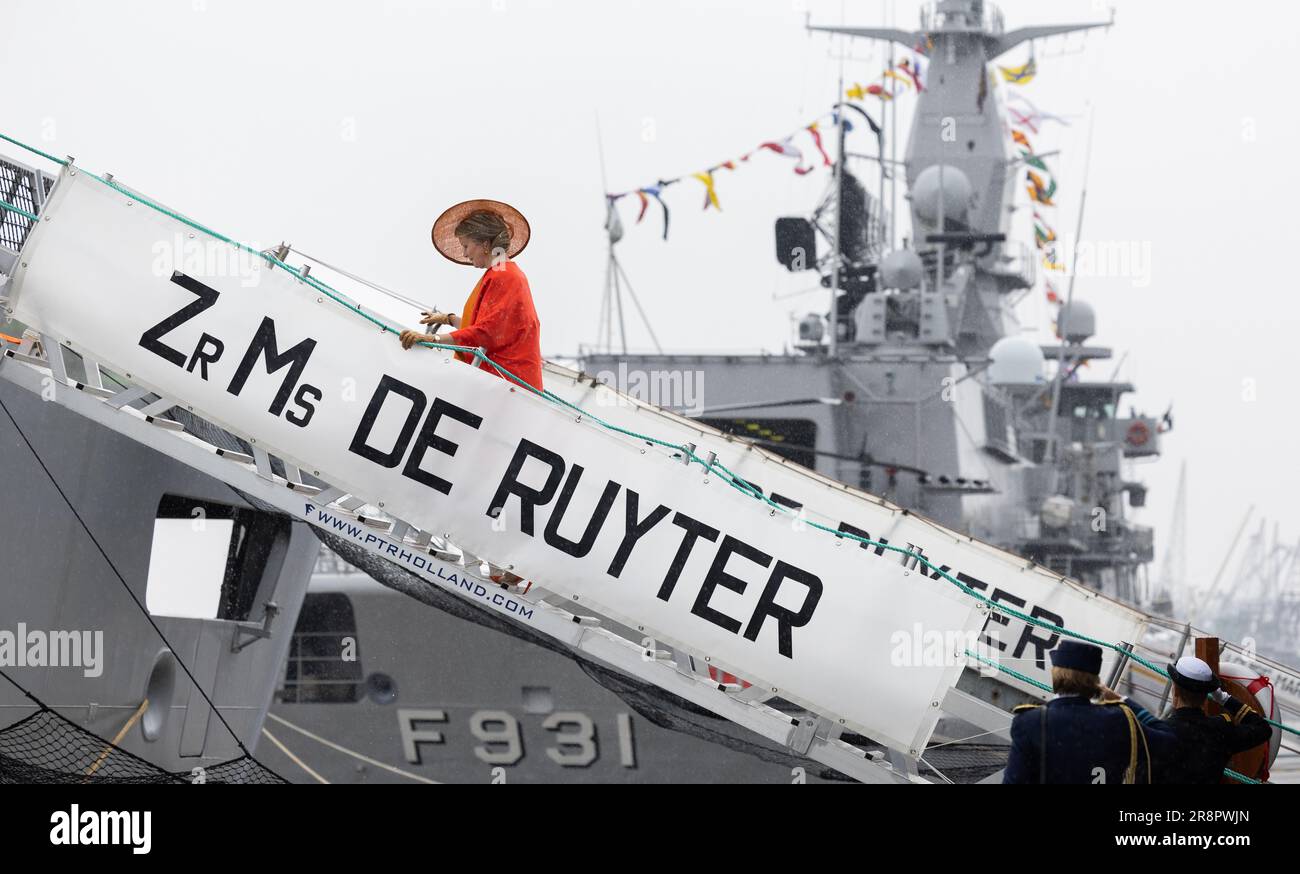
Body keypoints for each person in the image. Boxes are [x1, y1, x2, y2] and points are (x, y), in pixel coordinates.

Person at [399, 198, 543, 391]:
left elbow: (486, 332)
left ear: (484, 244)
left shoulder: (506, 275)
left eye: (466, 246)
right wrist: (448, 319)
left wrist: (435, 339)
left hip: (509, 390)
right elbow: (492, 328)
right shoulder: (501, 272)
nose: (465, 254)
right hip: (504, 387)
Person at [1003, 640, 1175, 784]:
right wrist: (1124, 701)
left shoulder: (1030, 722)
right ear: (1095, 682)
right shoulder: (1119, 721)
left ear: (1056, 675)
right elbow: (1169, 743)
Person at [1149, 656, 1272, 784]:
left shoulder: (1159, 732)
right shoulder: (1220, 730)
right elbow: (1262, 728)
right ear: (1206, 696)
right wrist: (1224, 699)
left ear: (1175, 692)